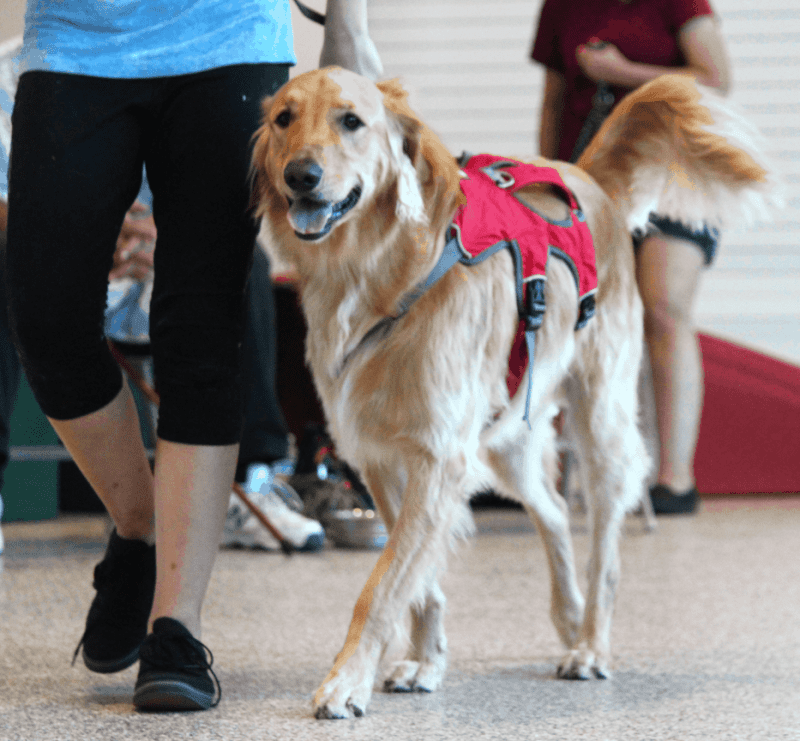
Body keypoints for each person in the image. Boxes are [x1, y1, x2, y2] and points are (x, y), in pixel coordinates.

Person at [4, 0, 381, 712]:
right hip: (74, 41)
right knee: (46, 318)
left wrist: (347, 26)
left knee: (204, 325)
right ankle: (140, 526)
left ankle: (177, 627)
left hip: (228, 36)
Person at [530, 0, 731, 514]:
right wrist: (549, 181)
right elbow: (554, 101)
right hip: (593, 178)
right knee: (563, 313)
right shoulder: (561, 6)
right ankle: (540, 472)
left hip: (674, 173)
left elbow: (715, 80)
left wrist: (622, 73)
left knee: (663, 307)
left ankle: (675, 480)